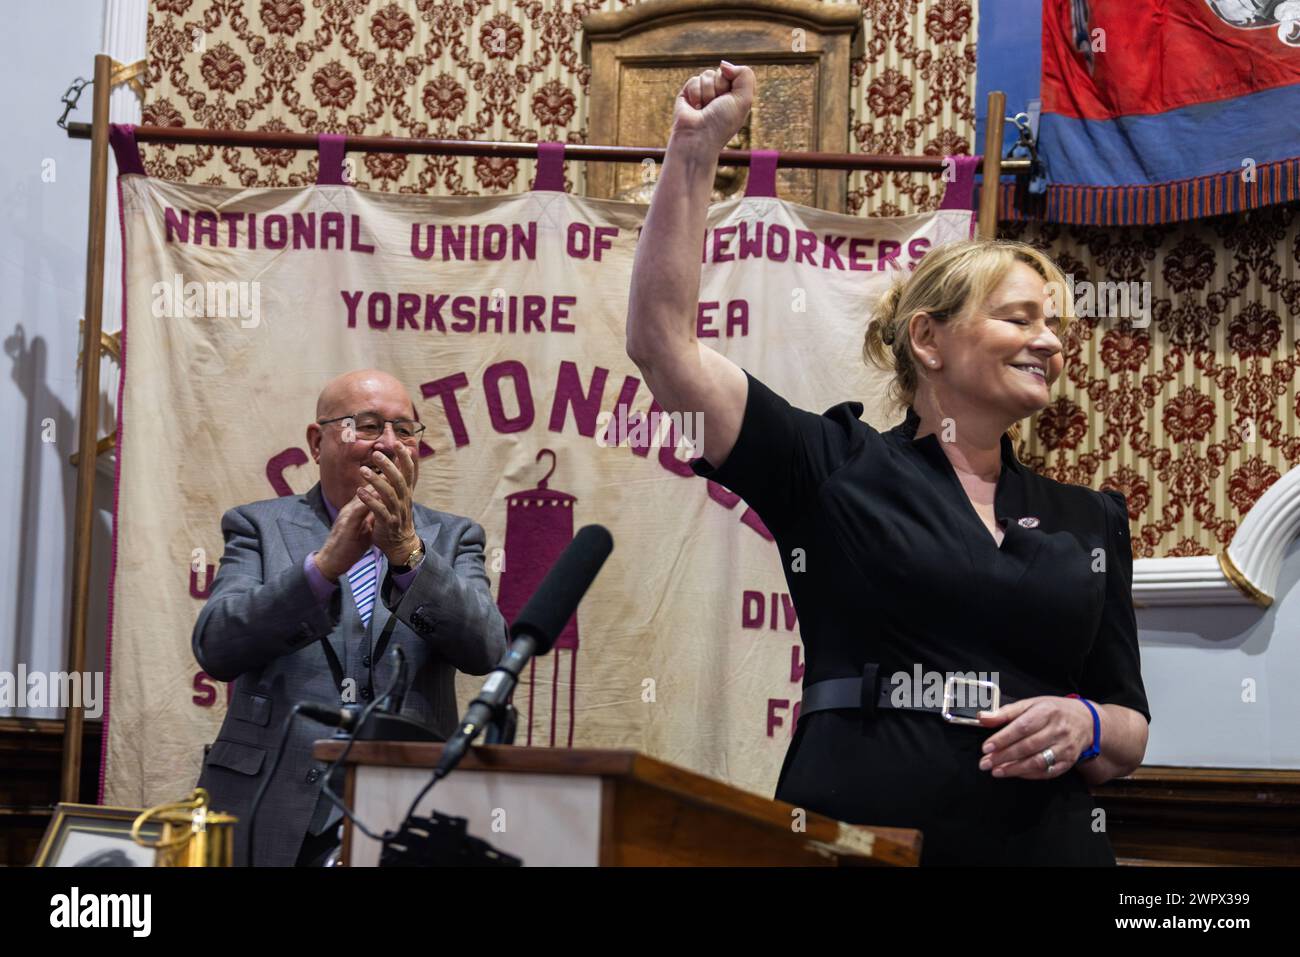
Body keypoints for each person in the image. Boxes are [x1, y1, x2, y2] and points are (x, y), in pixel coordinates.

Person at [625, 61, 1151, 865]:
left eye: (1055, 326)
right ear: (928, 339)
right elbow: (662, 347)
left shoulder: (1090, 517)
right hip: (866, 834)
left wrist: (1086, 722)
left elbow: (1128, 727)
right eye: (1019, 318)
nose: (1049, 340)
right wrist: (696, 152)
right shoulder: (833, 466)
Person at [192, 369, 509, 866]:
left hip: (407, 810)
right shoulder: (258, 526)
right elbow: (217, 647)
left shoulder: (454, 538)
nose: (389, 444)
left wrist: (408, 554)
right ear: (317, 442)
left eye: (404, 431)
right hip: (267, 804)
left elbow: (487, 649)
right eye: (367, 426)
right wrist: (322, 569)